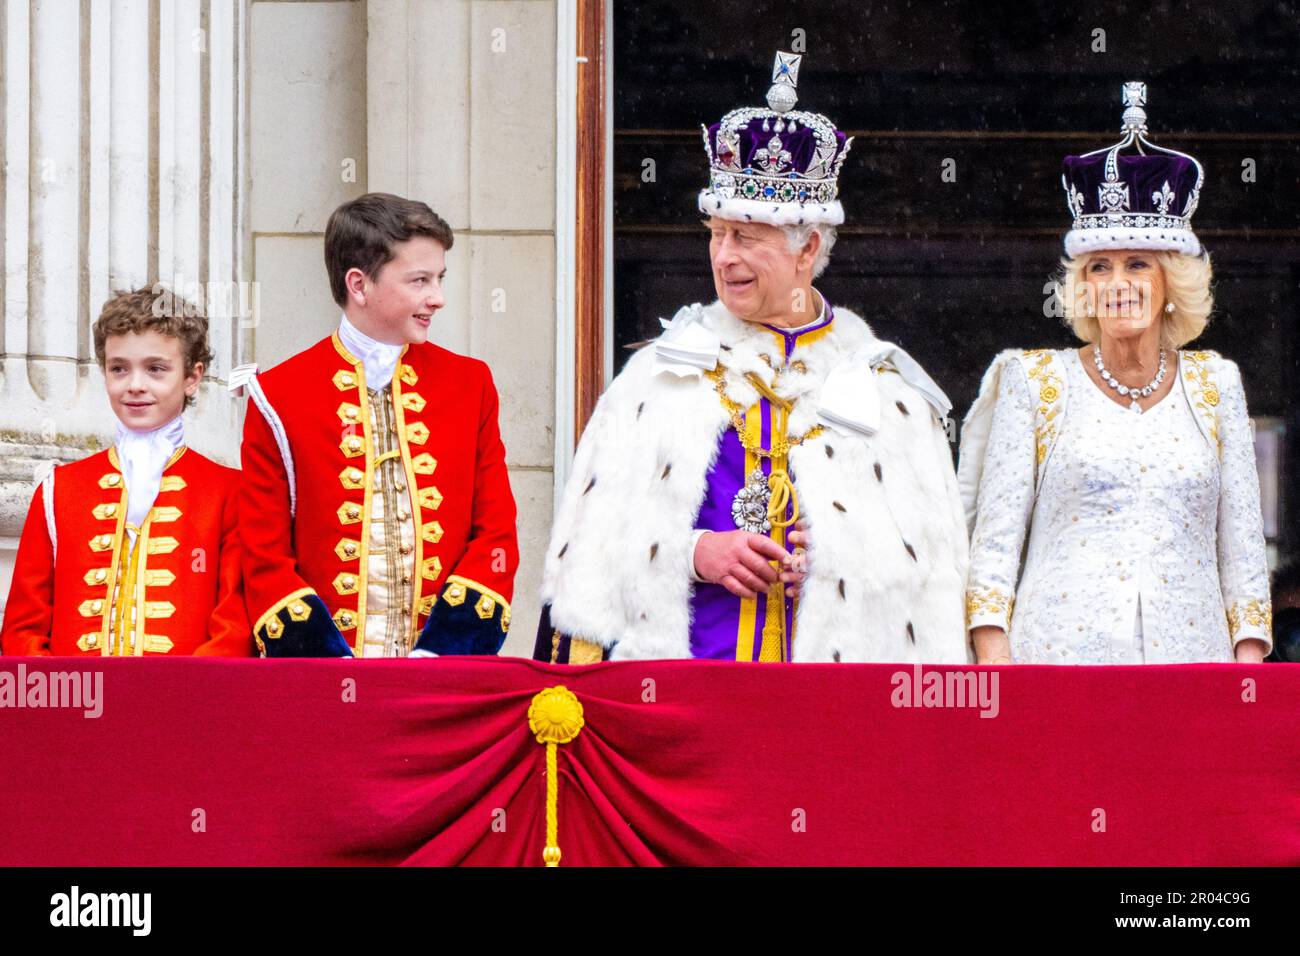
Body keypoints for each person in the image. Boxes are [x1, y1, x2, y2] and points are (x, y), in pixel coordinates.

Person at [535, 52, 969, 664]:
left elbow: (934, 580)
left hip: (825, 716)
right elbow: (586, 559)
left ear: (808, 246)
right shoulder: (657, 377)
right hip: (681, 701)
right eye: (716, 233)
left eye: (747, 237)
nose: (724, 256)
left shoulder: (888, 393)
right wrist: (692, 554)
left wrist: (837, 558)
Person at [960, 82, 1272, 665]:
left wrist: (1245, 673)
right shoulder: (1036, 383)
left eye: (1137, 264)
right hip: (1056, 669)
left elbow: (1244, 551)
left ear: (1170, 284)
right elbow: (994, 548)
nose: (1117, 284)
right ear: (1082, 286)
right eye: (1099, 266)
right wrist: (998, 669)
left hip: (1191, 669)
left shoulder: (1216, 384)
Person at [237, 193, 519, 657]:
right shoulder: (278, 395)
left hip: (442, 676)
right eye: (420, 280)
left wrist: (441, 655)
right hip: (324, 685)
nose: (438, 298)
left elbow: (496, 533)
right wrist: (329, 669)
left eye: (440, 279)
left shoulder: (470, 385)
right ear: (359, 285)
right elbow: (264, 557)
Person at [1, 288, 251, 656]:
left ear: (192, 377)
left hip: (182, 707)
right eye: (119, 368)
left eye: (155, 369)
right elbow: (23, 630)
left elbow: (234, 628)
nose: (135, 385)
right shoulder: (59, 491)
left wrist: (192, 702)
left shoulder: (228, 491)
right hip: (77, 709)